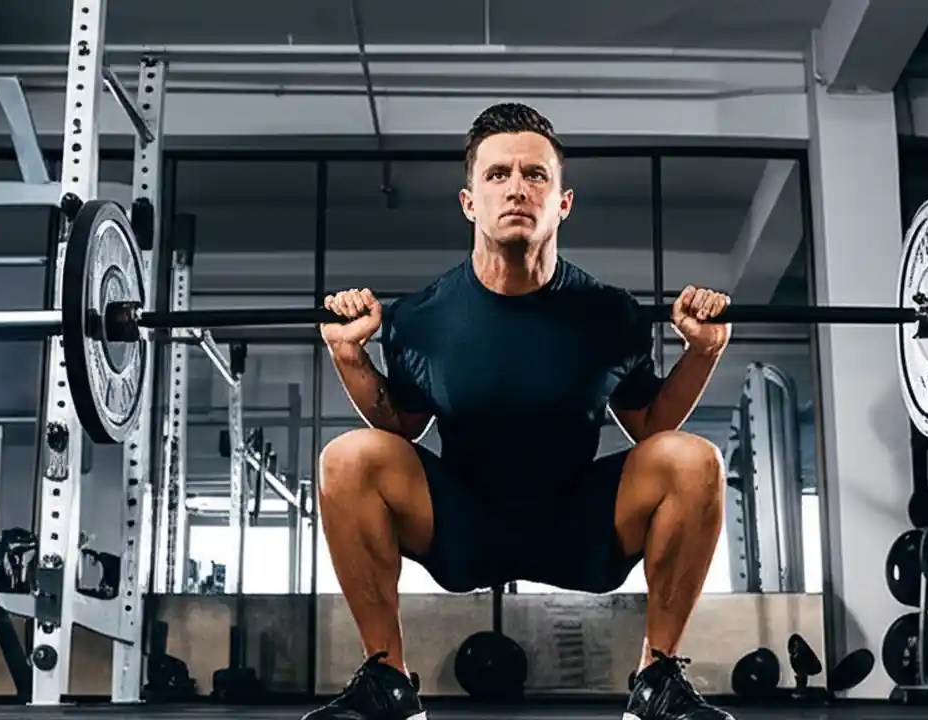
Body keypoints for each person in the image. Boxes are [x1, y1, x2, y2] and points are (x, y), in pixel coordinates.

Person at [308, 102, 735, 720]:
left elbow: (649, 428)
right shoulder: (422, 318)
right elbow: (400, 429)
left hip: (582, 529)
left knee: (695, 460)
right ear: (469, 202)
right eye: (497, 174)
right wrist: (350, 356)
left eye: (535, 175)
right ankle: (388, 682)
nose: (516, 188)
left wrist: (702, 353)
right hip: (463, 527)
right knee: (347, 459)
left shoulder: (609, 313)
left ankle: (657, 681)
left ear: (562, 202)